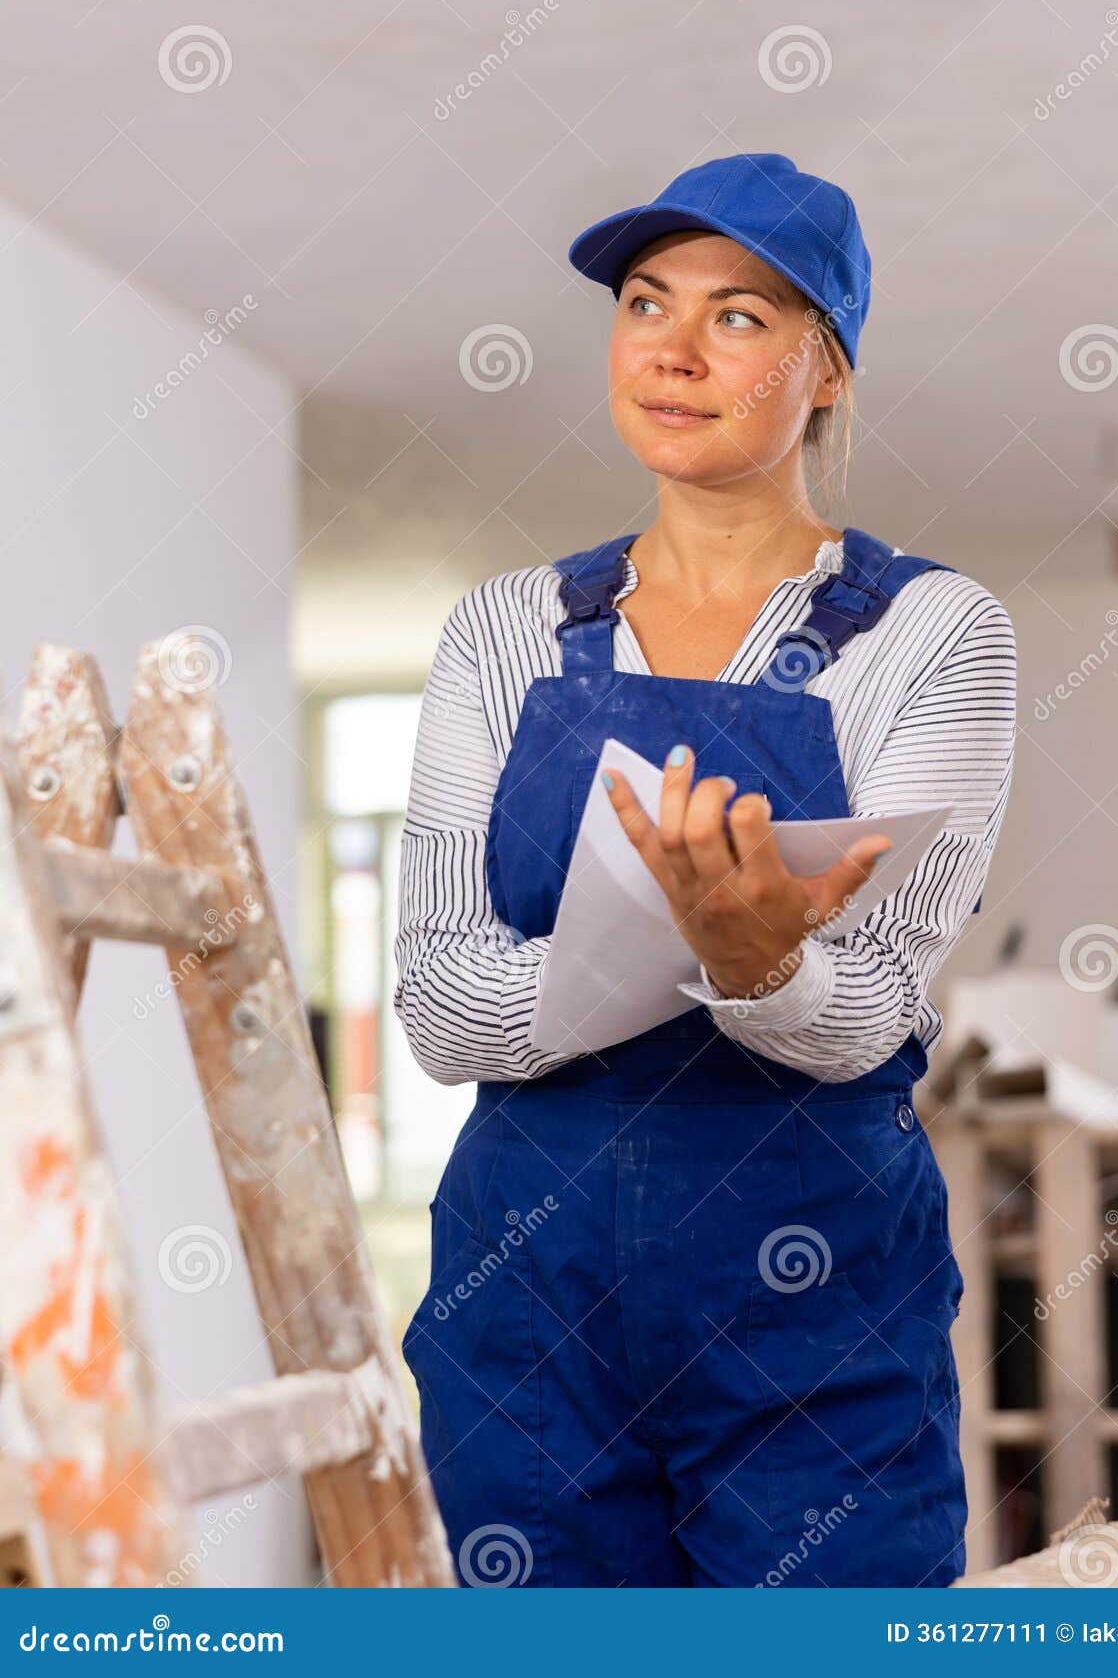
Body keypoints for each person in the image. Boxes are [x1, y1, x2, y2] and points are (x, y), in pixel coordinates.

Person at [395, 152, 1016, 1588]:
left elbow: (870, 1013)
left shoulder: (929, 636)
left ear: (828, 370)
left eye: (739, 315)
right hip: (528, 1288)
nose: (673, 348)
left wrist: (769, 968)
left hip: (816, 1297)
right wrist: (714, 955)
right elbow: (434, 1006)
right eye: (644, 300)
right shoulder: (503, 631)